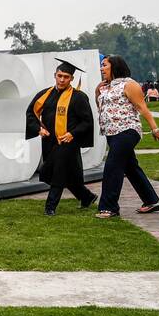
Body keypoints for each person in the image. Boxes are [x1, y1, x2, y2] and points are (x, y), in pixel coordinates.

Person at [95, 54, 159, 218]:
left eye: (104, 65)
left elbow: (142, 108)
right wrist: (97, 90)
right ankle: (151, 201)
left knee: (112, 166)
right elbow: (101, 107)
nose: (101, 68)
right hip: (111, 132)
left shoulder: (129, 84)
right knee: (130, 167)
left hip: (127, 130)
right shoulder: (105, 87)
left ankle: (109, 207)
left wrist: (155, 129)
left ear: (115, 66)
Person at [25, 59, 97, 215]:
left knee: (58, 172)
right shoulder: (44, 94)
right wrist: (38, 129)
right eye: (60, 76)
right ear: (55, 75)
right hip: (49, 141)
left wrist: (73, 133)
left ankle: (50, 206)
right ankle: (86, 197)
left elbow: (87, 121)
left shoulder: (78, 97)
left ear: (71, 78)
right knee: (65, 173)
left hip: (67, 142)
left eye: (66, 76)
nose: (62, 79)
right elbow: (31, 112)